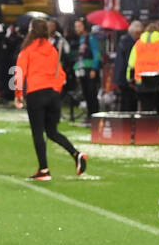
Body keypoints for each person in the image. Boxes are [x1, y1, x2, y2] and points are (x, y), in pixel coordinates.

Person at [14, 18, 87, 180]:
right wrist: (55, 90)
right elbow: (61, 75)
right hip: (53, 94)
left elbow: (19, 72)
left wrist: (18, 95)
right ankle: (76, 154)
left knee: (38, 133)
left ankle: (44, 169)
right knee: (52, 131)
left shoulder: (27, 50)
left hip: (36, 93)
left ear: (32, 31)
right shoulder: (53, 50)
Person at [127, 20, 159, 110]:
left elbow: (131, 65)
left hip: (141, 83)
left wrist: (130, 80)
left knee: (145, 110)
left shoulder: (137, 45)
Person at [72, 18, 102, 124]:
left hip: (90, 71)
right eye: (76, 26)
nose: (77, 29)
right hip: (82, 71)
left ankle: (95, 117)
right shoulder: (80, 39)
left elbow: (96, 54)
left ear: (84, 26)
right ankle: (89, 116)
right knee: (86, 94)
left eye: (79, 26)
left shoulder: (91, 38)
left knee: (92, 94)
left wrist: (94, 68)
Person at [113, 20, 144, 112]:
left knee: (125, 101)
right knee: (129, 102)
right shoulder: (129, 43)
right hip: (126, 77)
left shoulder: (124, 40)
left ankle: (125, 122)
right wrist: (130, 79)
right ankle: (128, 122)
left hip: (121, 76)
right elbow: (129, 62)